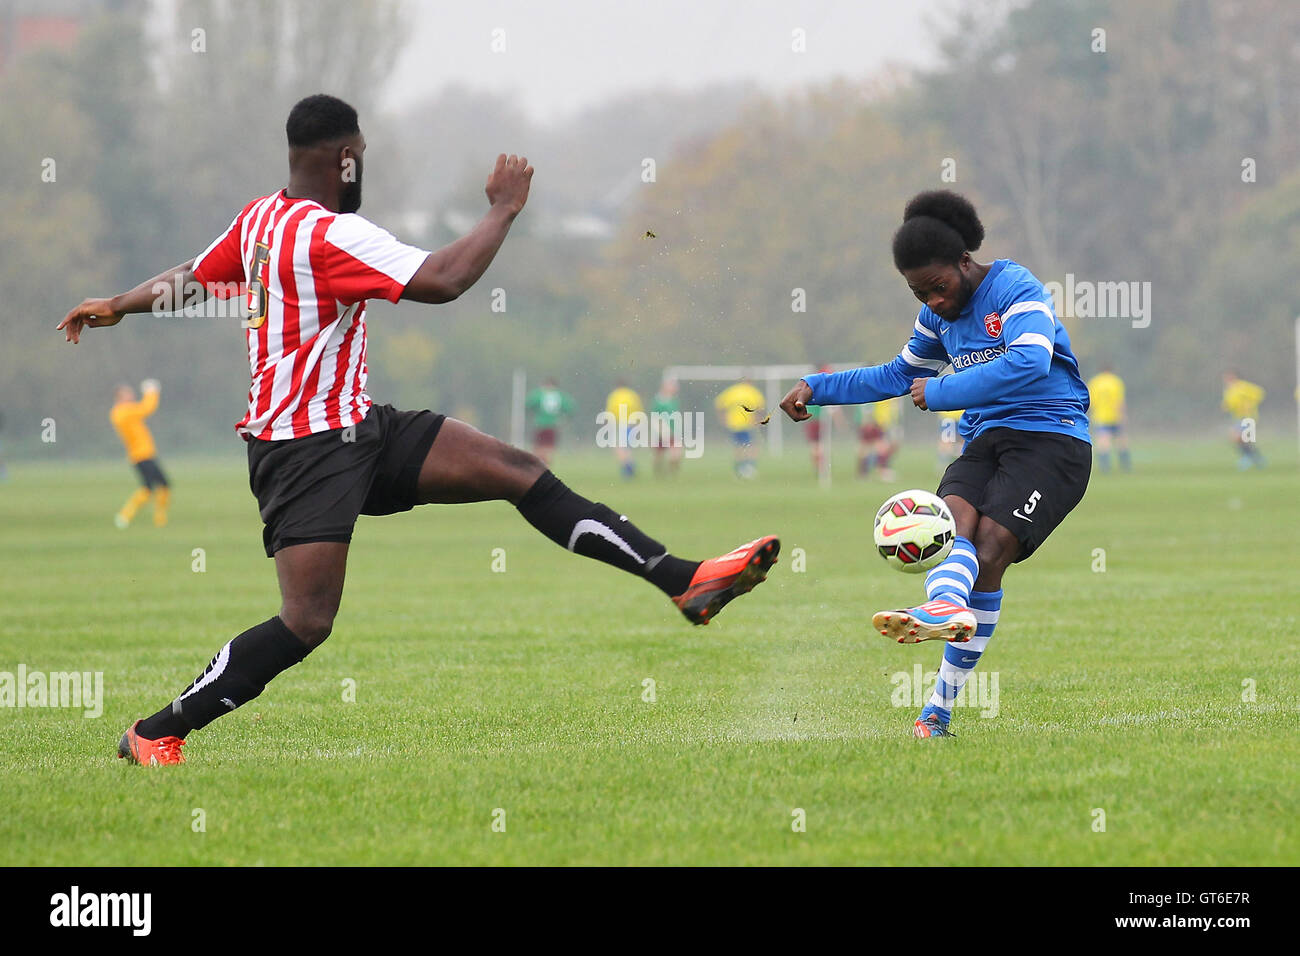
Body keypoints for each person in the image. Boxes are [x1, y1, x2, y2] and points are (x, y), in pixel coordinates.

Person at [60, 94, 779, 766]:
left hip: (357, 428)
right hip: (302, 449)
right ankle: (156, 733)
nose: (362, 165)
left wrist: (119, 304)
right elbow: (443, 279)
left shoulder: (257, 222)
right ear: (345, 156)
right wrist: (502, 210)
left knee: (515, 470)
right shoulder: (331, 234)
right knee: (307, 620)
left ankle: (682, 581)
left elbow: (194, 276)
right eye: (361, 153)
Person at [780, 190, 1091, 739]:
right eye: (919, 292)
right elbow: (898, 375)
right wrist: (818, 387)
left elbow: (1031, 360)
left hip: (1052, 440)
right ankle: (940, 644)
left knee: (991, 547)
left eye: (939, 287)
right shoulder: (934, 316)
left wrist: (946, 390)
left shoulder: (1015, 288)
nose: (934, 302)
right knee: (948, 525)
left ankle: (940, 699)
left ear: (964, 263)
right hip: (986, 438)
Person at [109, 379, 171, 528]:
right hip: (141, 455)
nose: (131, 395)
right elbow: (147, 408)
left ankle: (158, 519)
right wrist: (152, 391)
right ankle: (125, 515)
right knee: (151, 487)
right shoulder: (122, 412)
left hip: (144, 454)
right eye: (127, 393)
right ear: (119, 397)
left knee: (160, 486)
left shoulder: (122, 412)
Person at [715, 378, 765, 478]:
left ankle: (739, 469)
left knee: (739, 447)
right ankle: (748, 468)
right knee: (751, 446)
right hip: (747, 424)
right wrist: (759, 420)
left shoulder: (733, 391)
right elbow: (760, 408)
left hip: (733, 424)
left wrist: (723, 419)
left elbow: (719, 404)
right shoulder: (752, 392)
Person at [1086, 365, 1131, 472]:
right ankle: (1125, 466)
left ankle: (1105, 467)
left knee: (1103, 442)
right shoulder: (1116, 381)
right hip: (1115, 416)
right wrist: (1123, 415)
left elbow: (1091, 402)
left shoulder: (1094, 382)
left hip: (1100, 416)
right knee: (1122, 441)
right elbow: (1119, 401)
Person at [524, 377, 574, 467]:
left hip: (540, 424)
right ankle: (546, 467)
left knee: (538, 448)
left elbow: (528, 403)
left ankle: (539, 466)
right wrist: (564, 418)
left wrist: (533, 413)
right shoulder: (560, 395)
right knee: (549, 449)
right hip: (553, 425)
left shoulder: (540, 394)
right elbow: (570, 408)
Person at [1221, 371, 1265, 469]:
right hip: (1238, 417)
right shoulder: (1229, 390)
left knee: (1238, 437)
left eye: (1228, 377)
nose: (1227, 380)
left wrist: (1249, 402)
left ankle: (1248, 458)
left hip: (1248, 416)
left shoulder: (1244, 387)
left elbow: (1259, 393)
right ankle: (1256, 458)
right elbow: (1229, 403)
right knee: (1240, 439)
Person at [604, 380, 644, 479]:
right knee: (626, 447)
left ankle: (628, 468)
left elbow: (610, 410)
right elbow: (639, 410)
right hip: (631, 424)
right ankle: (629, 466)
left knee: (618, 448)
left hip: (619, 424)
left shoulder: (614, 395)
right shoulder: (632, 395)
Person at [856, 396, 902, 481]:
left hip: (886, 423)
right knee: (873, 448)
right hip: (878, 423)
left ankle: (876, 470)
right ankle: (878, 470)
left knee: (884, 447)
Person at [651, 377, 683, 477]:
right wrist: (660, 429)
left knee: (676, 454)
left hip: (673, 432)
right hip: (660, 432)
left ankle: (671, 472)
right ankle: (658, 471)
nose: (674, 388)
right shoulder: (658, 400)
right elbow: (654, 416)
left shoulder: (674, 400)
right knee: (658, 455)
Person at [936, 408, 964, 472]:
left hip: (962, 414)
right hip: (948, 415)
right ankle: (944, 465)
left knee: (962, 441)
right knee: (946, 441)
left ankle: (961, 464)